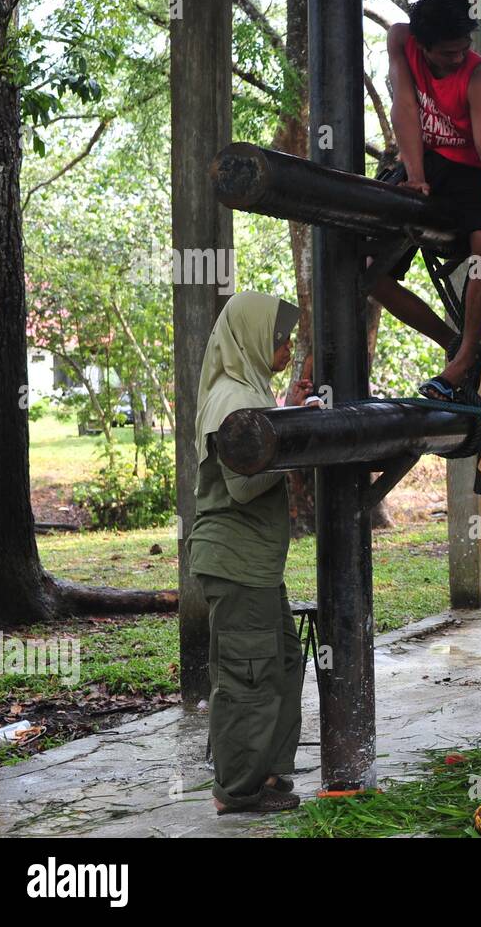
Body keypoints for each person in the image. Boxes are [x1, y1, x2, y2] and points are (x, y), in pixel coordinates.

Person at [188, 291, 317, 815]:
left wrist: (291, 417)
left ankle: (263, 770)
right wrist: (302, 440)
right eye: (277, 338)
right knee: (247, 674)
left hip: (253, 564)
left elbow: (263, 439)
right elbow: (244, 485)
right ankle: (237, 790)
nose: (286, 348)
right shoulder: (231, 401)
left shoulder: (247, 392)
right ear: (250, 339)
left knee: (281, 660)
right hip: (236, 562)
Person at [368, 0, 481, 404]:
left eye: (463, 48)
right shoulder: (401, 40)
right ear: (423, 44)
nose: (459, 57)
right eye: (449, 53)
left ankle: (465, 357)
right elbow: (405, 107)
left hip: (471, 172)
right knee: (367, 269)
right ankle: (454, 342)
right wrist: (413, 175)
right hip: (427, 162)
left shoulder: (479, 74)